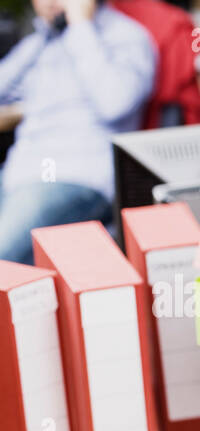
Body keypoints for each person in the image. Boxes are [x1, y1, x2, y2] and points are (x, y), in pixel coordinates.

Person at [0, 0, 156, 263]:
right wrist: (43, 38)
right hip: (17, 175)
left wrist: (80, 25)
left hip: (76, 178)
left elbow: (115, 103)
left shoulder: (126, 37)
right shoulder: (41, 43)